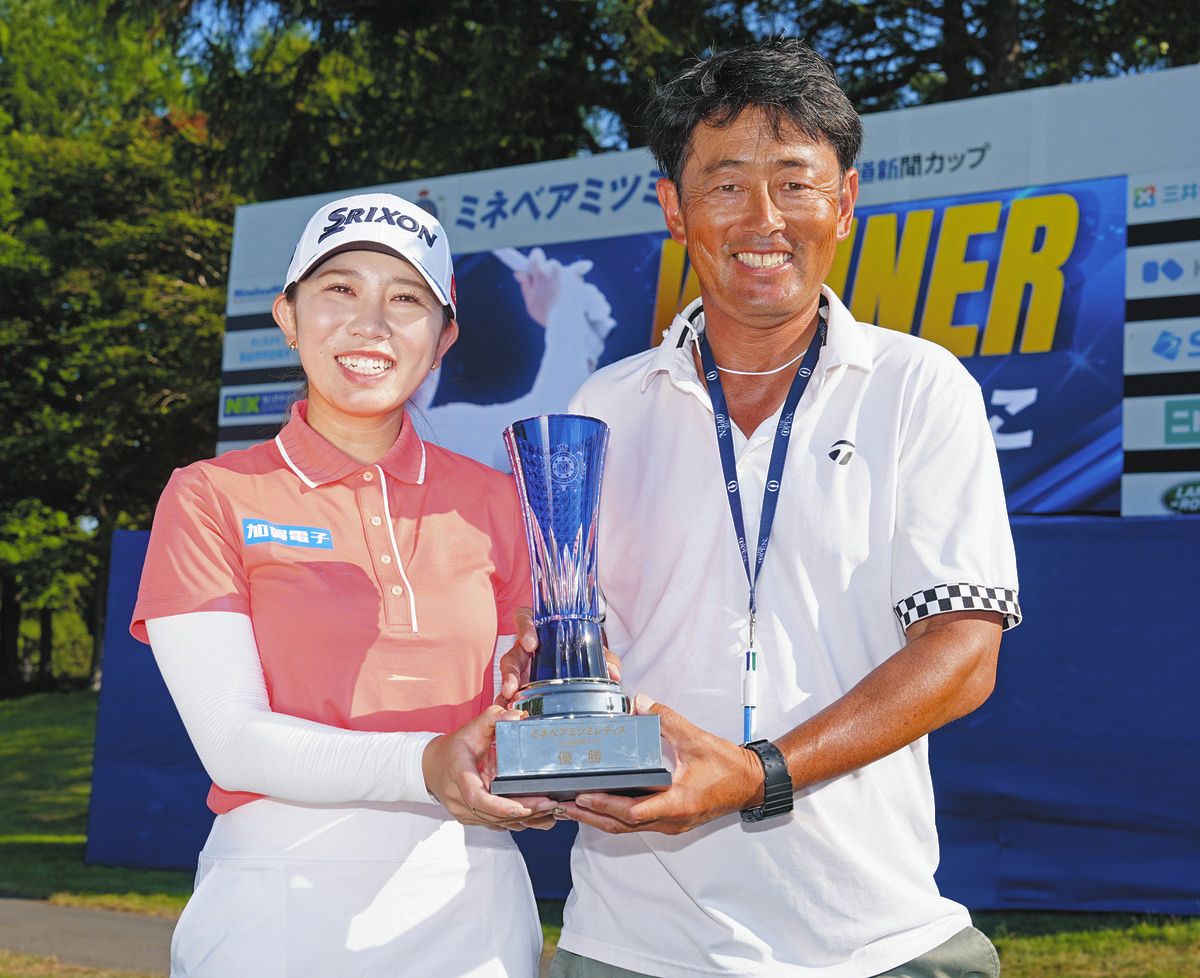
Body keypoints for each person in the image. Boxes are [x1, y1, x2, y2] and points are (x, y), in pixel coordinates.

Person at [500, 39, 1021, 978]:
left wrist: (756, 772)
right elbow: (580, 632)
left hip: (876, 943)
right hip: (633, 944)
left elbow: (962, 656)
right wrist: (554, 664)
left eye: (795, 181)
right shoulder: (601, 409)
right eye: (727, 184)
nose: (764, 219)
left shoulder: (916, 387)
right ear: (675, 209)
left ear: (847, 202)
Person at [131, 192, 559, 978]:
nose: (371, 324)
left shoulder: (500, 503)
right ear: (287, 315)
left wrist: (564, 719)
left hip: (472, 903)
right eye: (339, 290)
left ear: (443, 340)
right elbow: (232, 743)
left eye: (406, 300)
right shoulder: (209, 495)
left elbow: (508, 722)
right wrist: (424, 764)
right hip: (272, 910)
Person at [410, 246, 617, 469]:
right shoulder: (438, 435)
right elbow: (552, 423)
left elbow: (555, 418)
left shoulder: (438, 430)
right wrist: (566, 310)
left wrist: (568, 316)